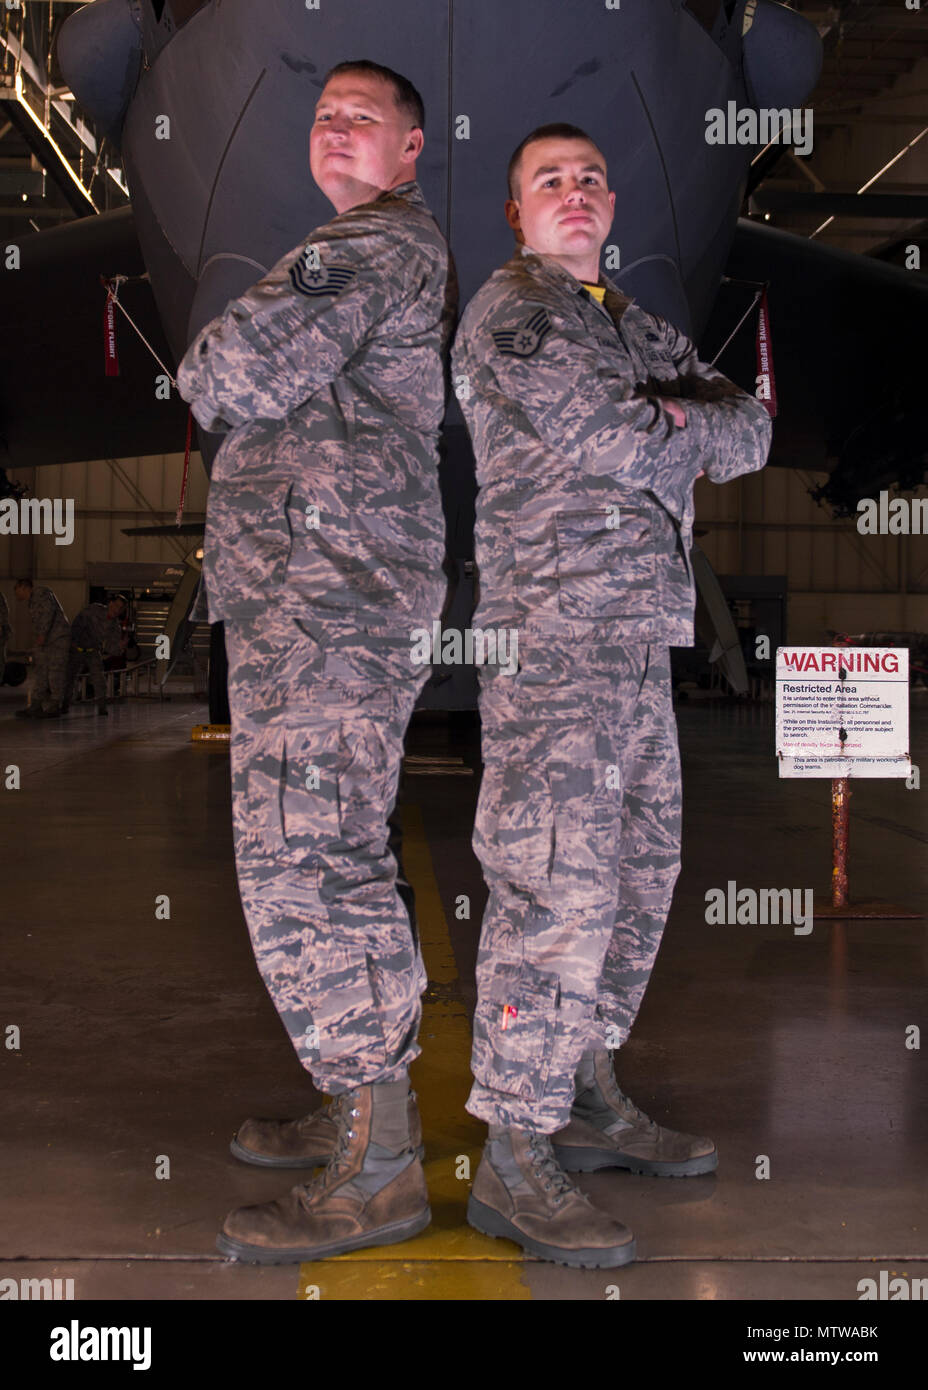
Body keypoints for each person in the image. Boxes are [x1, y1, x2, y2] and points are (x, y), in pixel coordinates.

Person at [450, 123, 773, 1268]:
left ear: (612, 197)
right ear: (516, 212)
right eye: (549, 181)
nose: (574, 193)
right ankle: (513, 1153)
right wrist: (680, 418)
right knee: (555, 884)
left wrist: (675, 417)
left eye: (590, 176)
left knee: (640, 869)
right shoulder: (514, 311)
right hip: (551, 639)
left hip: (638, 639)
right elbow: (609, 435)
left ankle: (584, 1085)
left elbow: (753, 428)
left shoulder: (631, 322)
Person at [177, 59, 457, 1263]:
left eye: (365, 115)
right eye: (322, 113)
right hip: (314, 599)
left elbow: (224, 372)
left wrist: (211, 357)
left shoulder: (373, 248)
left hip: (331, 602)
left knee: (311, 861)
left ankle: (379, 1168)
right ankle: (355, 1105)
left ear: (409, 152)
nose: (336, 124)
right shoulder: (349, 249)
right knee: (326, 850)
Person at [13, 578, 71, 718]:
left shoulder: (40, 593)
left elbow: (48, 613)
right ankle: (36, 705)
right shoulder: (33, 600)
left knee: (55, 672)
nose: (16, 595)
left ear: (23, 587)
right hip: (47, 640)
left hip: (57, 639)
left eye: (17, 590)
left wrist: (43, 634)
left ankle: (55, 705)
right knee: (41, 671)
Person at [63, 595, 128, 715]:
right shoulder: (94, 610)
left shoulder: (115, 627)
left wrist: (120, 647)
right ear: (110, 604)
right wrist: (72, 642)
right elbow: (77, 623)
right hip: (76, 648)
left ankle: (102, 707)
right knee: (69, 678)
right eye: (116, 606)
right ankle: (64, 704)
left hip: (92, 651)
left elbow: (111, 648)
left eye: (121, 609)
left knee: (99, 679)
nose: (117, 610)